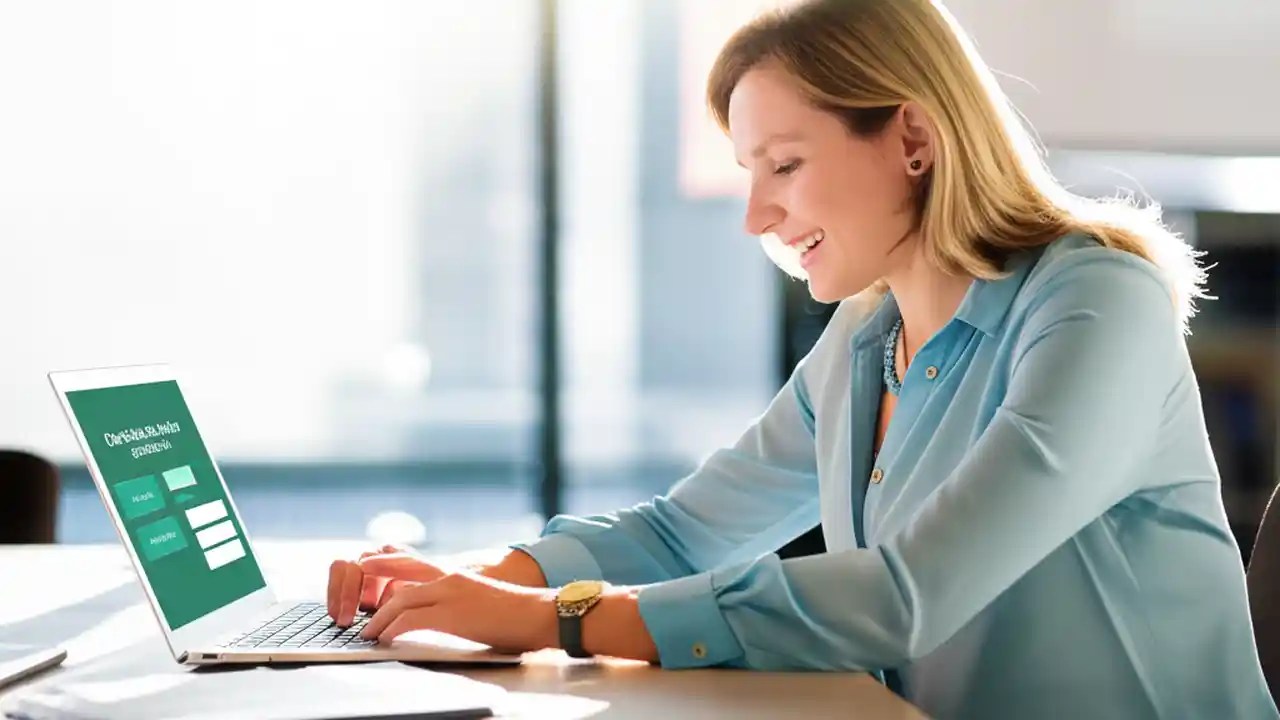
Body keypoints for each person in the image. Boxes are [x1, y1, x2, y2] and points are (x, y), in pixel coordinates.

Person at [327, 1, 1277, 717]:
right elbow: (681, 533)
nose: (758, 218)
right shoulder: (868, 340)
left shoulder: (1096, 302)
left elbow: (909, 594)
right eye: (750, 174)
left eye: (783, 165)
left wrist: (551, 619)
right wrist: (458, 582)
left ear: (912, 139)